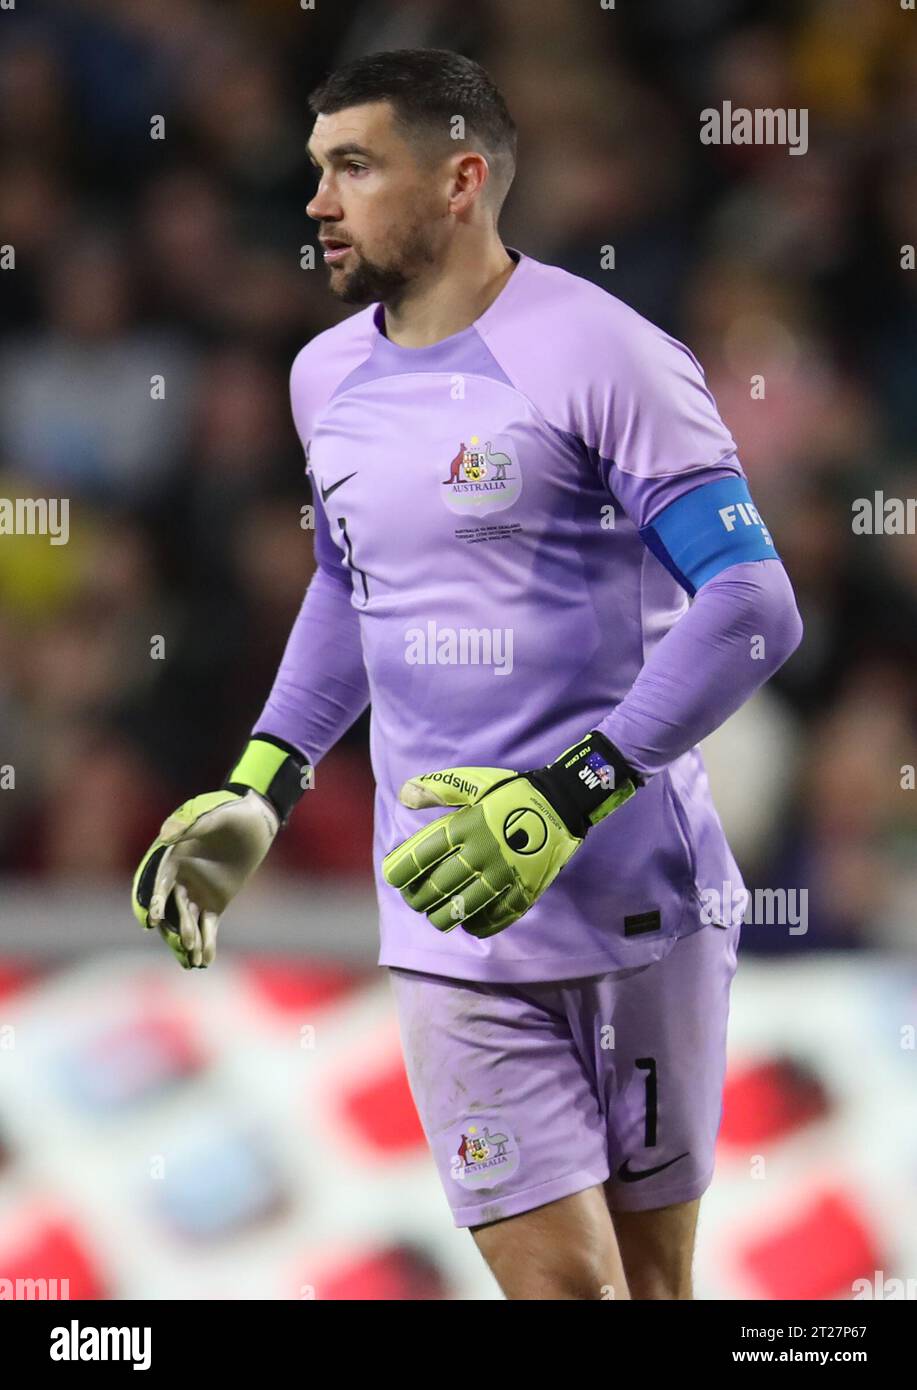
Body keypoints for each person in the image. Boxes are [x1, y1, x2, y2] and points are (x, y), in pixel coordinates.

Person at [132, 48, 803, 1300]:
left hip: (635, 899)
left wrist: (563, 796)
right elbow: (350, 584)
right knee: (563, 1289)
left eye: (352, 166)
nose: (318, 202)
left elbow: (755, 605)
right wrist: (262, 782)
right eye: (314, 169)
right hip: (447, 911)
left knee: (652, 1290)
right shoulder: (322, 376)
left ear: (460, 180)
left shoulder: (606, 354)